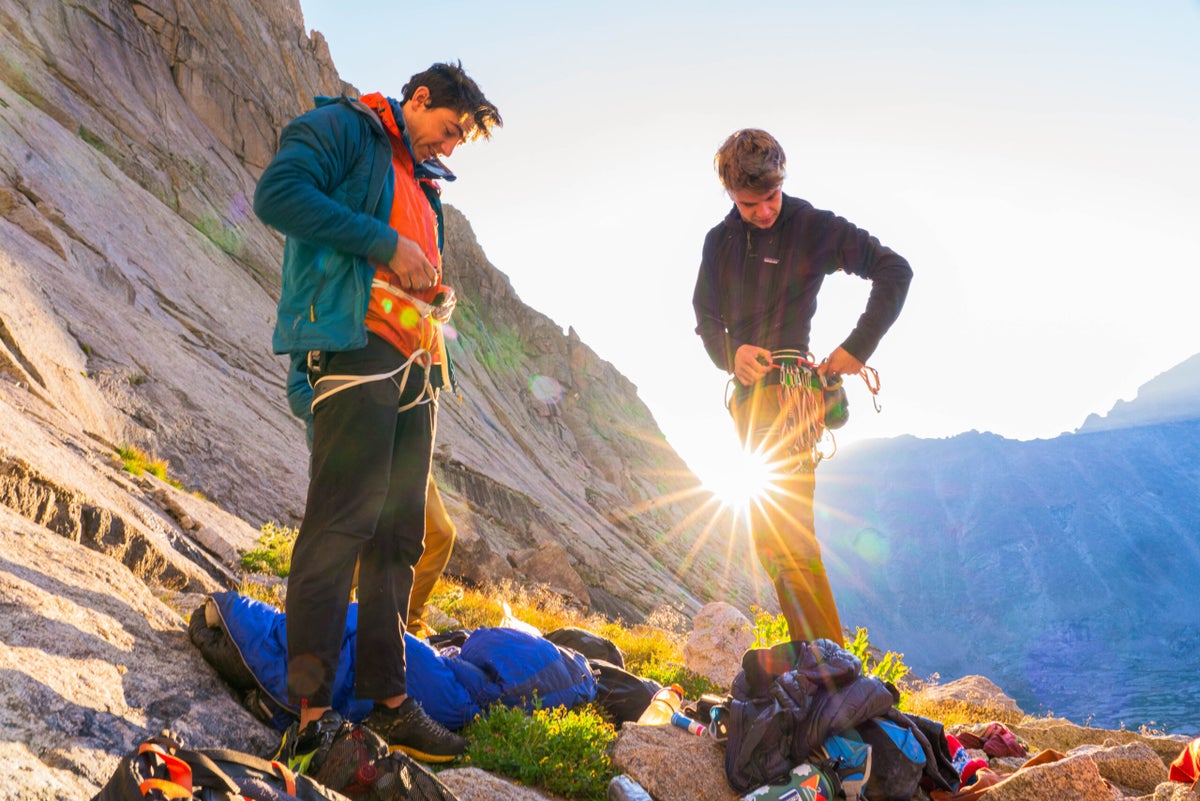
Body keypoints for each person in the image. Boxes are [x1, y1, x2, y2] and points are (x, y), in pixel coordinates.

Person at [254, 61, 501, 766]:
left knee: (398, 532)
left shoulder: (426, 184)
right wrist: (386, 243)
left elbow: (409, 263)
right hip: (350, 347)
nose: (450, 148)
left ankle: (389, 702)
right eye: (449, 130)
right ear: (418, 100)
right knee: (341, 521)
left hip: (416, 367)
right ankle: (310, 713)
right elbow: (278, 195)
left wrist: (434, 293)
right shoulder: (340, 128)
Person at [691, 129, 911, 645]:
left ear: (783, 179)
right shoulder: (718, 243)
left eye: (772, 197)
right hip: (749, 406)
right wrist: (730, 355)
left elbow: (894, 270)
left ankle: (828, 666)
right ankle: (822, 659)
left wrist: (856, 349)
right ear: (730, 194)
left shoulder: (813, 227)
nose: (766, 211)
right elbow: (705, 316)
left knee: (785, 536)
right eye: (752, 203)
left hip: (792, 398)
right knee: (774, 538)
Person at [286, 353, 456, 639]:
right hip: (353, 442)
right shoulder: (335, 314)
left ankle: (407, 623)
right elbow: (298, 389)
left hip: (402, 446)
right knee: (357, 537)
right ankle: (317, 614)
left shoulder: (417, 319)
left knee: (438, 532)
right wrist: (349, 411)